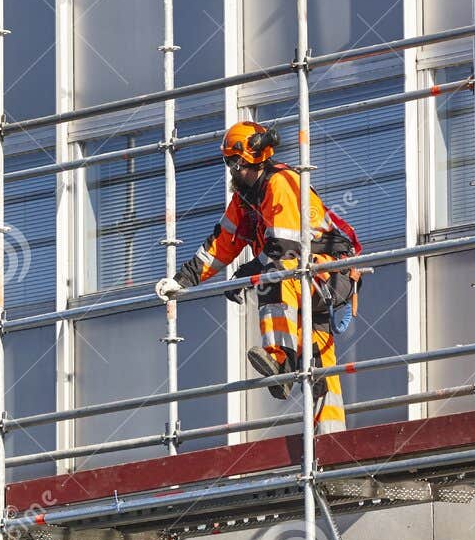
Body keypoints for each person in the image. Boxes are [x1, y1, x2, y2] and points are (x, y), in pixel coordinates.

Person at [154, 120, 360, 432]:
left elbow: (286, 246)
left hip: (327, 270)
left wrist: (250, 271)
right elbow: (221, 245)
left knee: (271, 277)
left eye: (232, 163)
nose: (231, 171)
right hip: (306, 275)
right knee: (319, 358)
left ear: (246, 160)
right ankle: (333, 441)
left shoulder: (283, 182)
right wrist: (182, 280)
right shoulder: (245, 200)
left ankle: (279, 358)